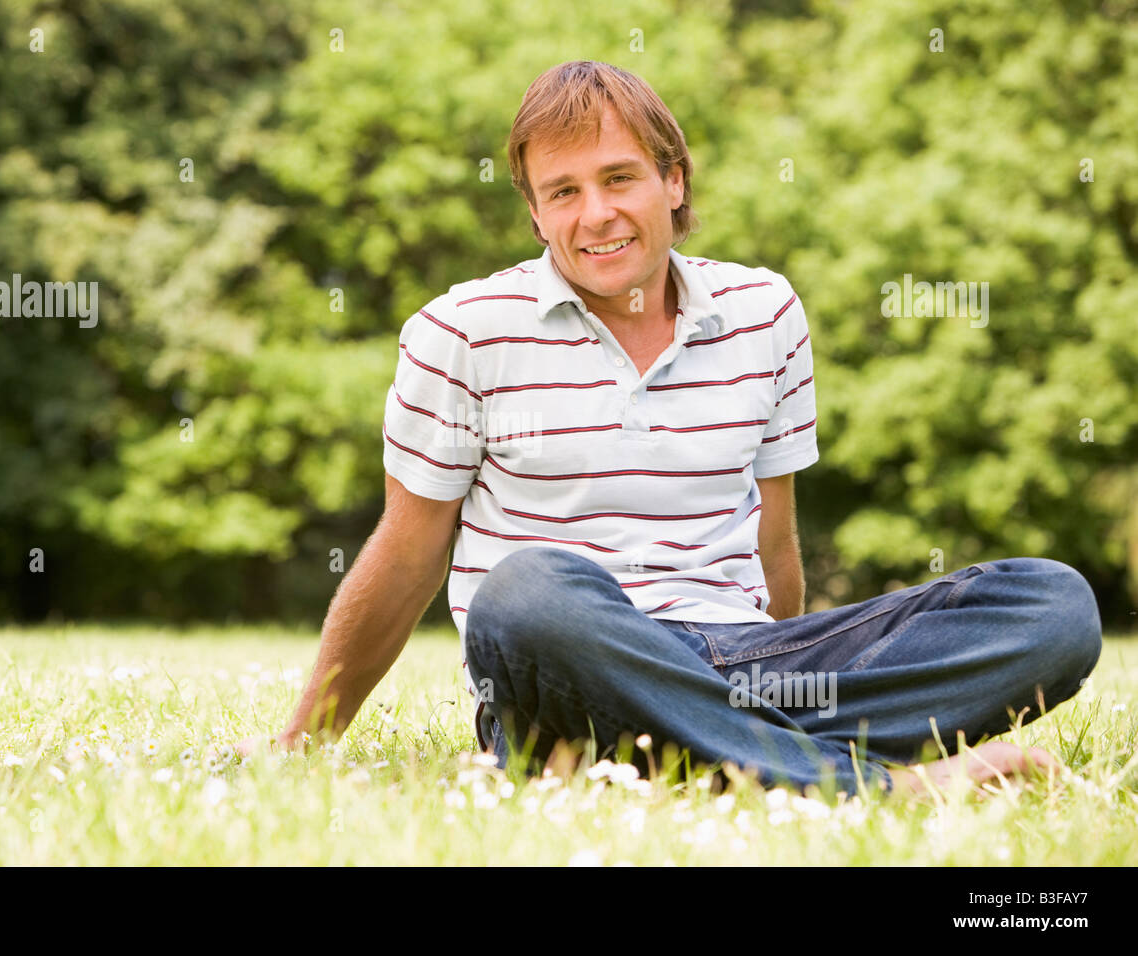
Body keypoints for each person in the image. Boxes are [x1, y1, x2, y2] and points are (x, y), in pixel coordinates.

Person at [238, 61, 1102, 797]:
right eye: (563, 193)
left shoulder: (765, 312)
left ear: (673, 180)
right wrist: (303, 739)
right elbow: (407, 550)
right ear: (536, 215)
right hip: (561, 674)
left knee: (1053, 605)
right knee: (524, 591)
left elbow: (776, 540)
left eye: (619, 179)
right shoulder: (462, 333)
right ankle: (866, 783)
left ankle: (700, 744)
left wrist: (785, 660)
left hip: (742, 654)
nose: (595, 214)